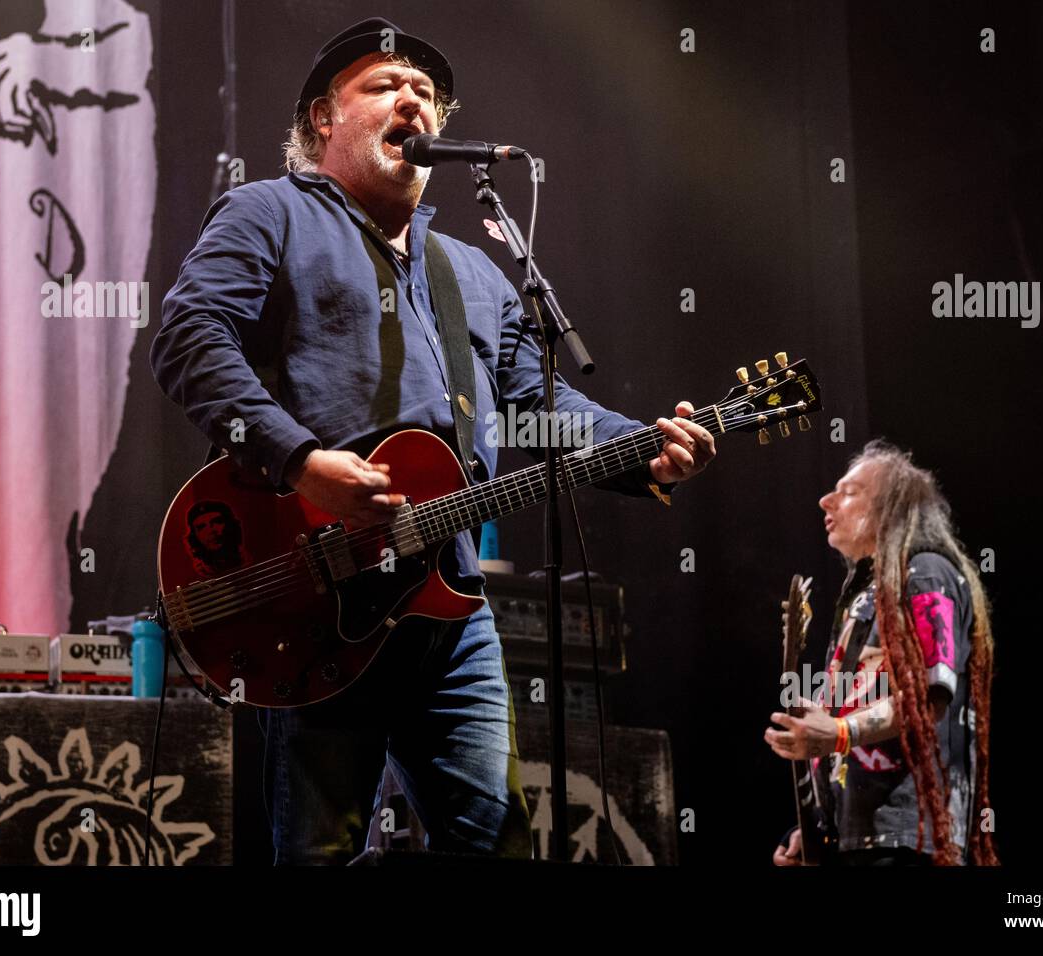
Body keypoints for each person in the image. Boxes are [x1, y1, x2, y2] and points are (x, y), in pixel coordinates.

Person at [150, 17, 715, 864]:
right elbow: (189, 336)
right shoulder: (269, 212)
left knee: (496, 839)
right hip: (313, 593)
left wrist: (645, 446)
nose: (411, 99)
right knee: (319, 849)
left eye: (426, 94)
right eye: (383, 86)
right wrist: (302, 463)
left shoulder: (474, 274)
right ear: (319, 123)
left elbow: (539, 406)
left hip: (447, 603)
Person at [765, 441, 997, 865]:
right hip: (857, 837)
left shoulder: (926, 572)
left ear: (892, 508)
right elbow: (848, 716)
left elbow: (929, 696)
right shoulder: (864, 594)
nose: (826, 500)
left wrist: (837, 733)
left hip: (907, 837)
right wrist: (816, 828)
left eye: (850, 492)